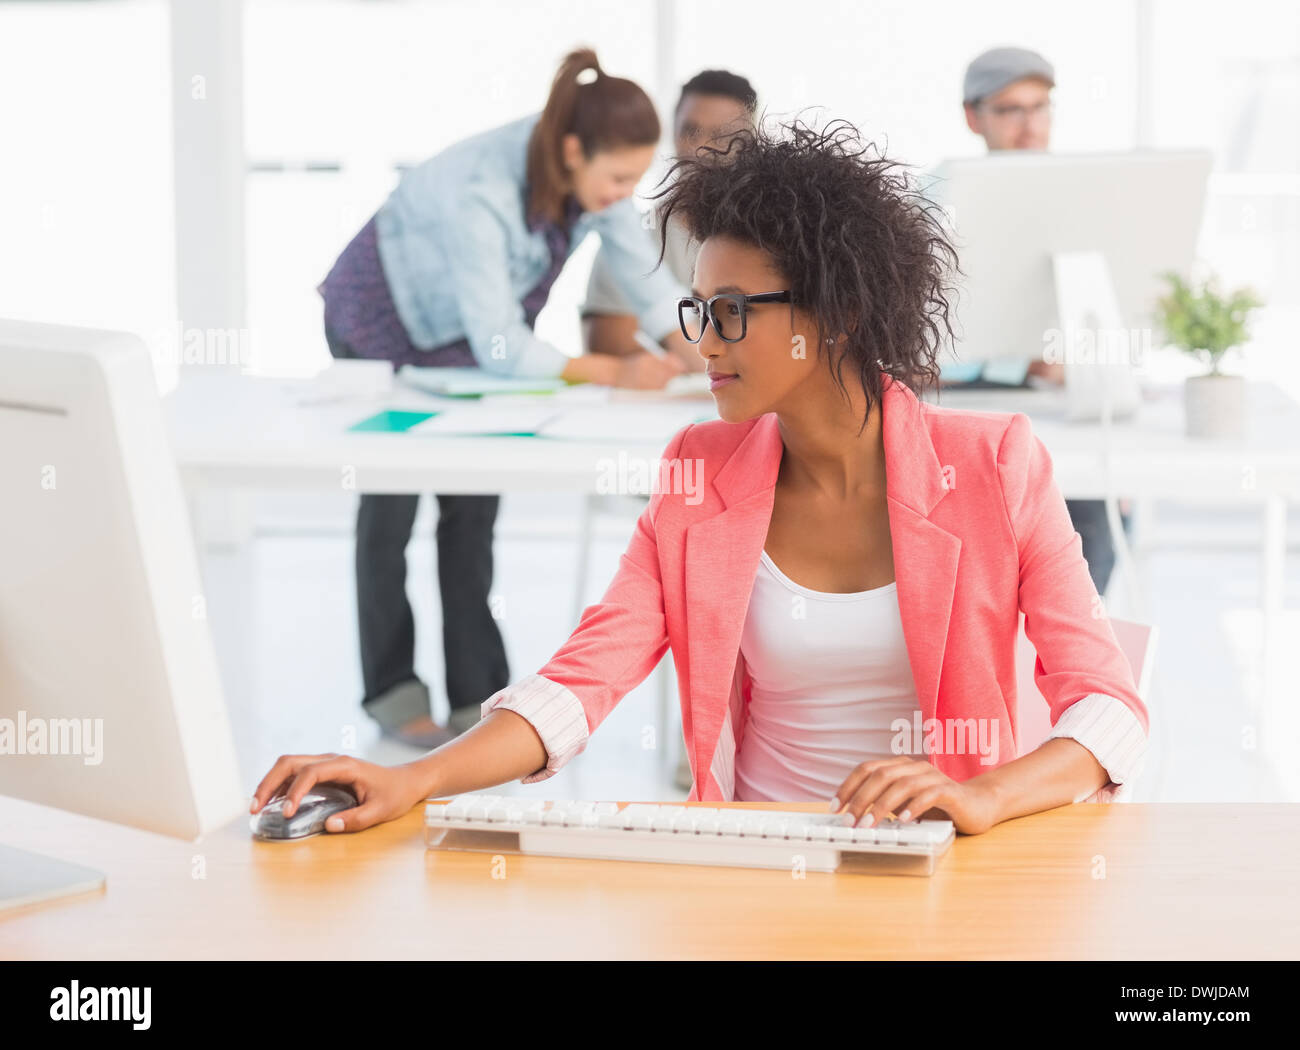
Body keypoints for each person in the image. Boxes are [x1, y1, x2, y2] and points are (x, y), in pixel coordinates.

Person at [254, 118, 1149, 836]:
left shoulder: (994, 463)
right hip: (751, 860)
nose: (701, 342)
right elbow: (583, 680)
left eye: (729, 314)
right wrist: (416, 780)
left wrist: (986, 797)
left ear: (834, 314)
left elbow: (1107, 706)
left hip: (940, 869)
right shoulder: (700, 469)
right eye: (697, 310)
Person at [316, 48, 695, 751]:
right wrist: (617, 371)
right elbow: (502, 346)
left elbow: (644, 276)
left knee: (472, 503)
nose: (622, 192)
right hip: (378, 322)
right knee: (391, 506)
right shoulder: (482, 189)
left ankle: (475, 698)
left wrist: (699, 344)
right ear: (575, 151)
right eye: (617, 178)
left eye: (633, 180)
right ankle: (394, 694)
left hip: (467, 338)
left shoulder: (591, 172)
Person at [937, 45, 1132, 596]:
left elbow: (1114, 304)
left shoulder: (1084, 198)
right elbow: (918, 334)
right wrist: (1020, 357)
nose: (1030, 126)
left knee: (1093, 539)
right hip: (969, 408)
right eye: (1010, 110)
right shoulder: (935, 199)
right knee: (983, 579)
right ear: (972, 117)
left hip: (1059, 405)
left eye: (1040, 107)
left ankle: (1075, 677)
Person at [581, 69, 758, 360]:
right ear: (672, 131)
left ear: (750, 144)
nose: (702, 149)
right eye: (690, 131)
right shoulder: (630, 236)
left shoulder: (775, 238)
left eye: (722, 136)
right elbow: (608, 344)